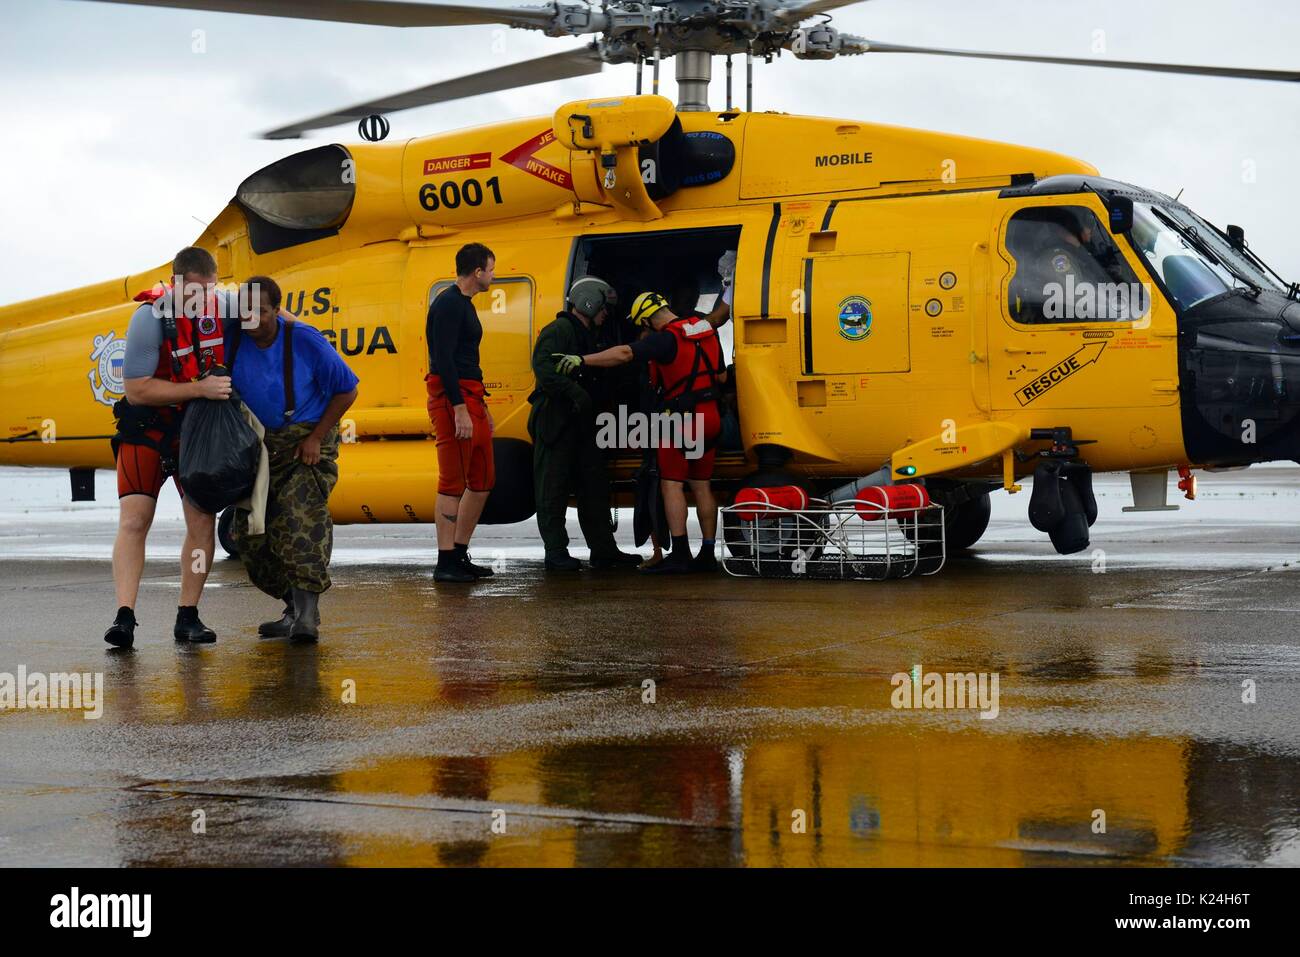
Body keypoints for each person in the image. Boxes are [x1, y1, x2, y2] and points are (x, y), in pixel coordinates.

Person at [103, 246, 237, 648]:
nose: (203, 300)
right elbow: (138, 389)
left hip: (194, 433)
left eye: (209, 290)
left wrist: (295, 325)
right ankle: (124, 617)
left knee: (201, 522)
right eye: (195, 292)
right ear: (176, 285)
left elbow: (270, 313)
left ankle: (188, 616)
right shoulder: (149, 319)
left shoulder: (226, 306)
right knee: (135, 519)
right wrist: (199, 388)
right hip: (147, 428)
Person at [227, 276, 359, 642]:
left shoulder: (303, 338)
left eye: (262, 312)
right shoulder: (234, 339)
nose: (252, 320)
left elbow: (347, 389)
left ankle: (306, 618)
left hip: (305, 442)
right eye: (245, 312)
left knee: (302, 524)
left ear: (277, 310)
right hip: (259, 447)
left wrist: (317, 438)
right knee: (251, 539)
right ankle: (291, 607)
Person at [554, 291, 724, 574]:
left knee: (671, 485)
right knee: (702, 485)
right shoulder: (705, 330)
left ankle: (680, 553)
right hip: (711, 416)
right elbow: (721, 377)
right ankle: (707, 554)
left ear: (647, 318)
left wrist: (582, 360)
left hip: (681, 420)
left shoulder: (665, 338)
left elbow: (624, 354)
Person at [528, 276, 642, 572]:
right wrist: (575, 393)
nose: (606, 313)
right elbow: (544, 368)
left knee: (595, 487)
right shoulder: (560, 330)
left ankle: (604, 551)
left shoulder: (593, 334)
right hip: (557, 422)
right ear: (589, 302)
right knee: (552, 489)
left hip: (584, 424)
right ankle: (555, 552)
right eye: (604, 307)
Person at [425, 243, 497, 583]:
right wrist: (459, 409)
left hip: (472, 396)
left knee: (482, 481)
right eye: (491, 269)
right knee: (452, 481)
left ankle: (459, 552)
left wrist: (480, 407)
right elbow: (443, 359)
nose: (493, 276)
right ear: (478, 272)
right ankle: (445, 561)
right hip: (453, 398)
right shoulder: (448, 304)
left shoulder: (464, 304)